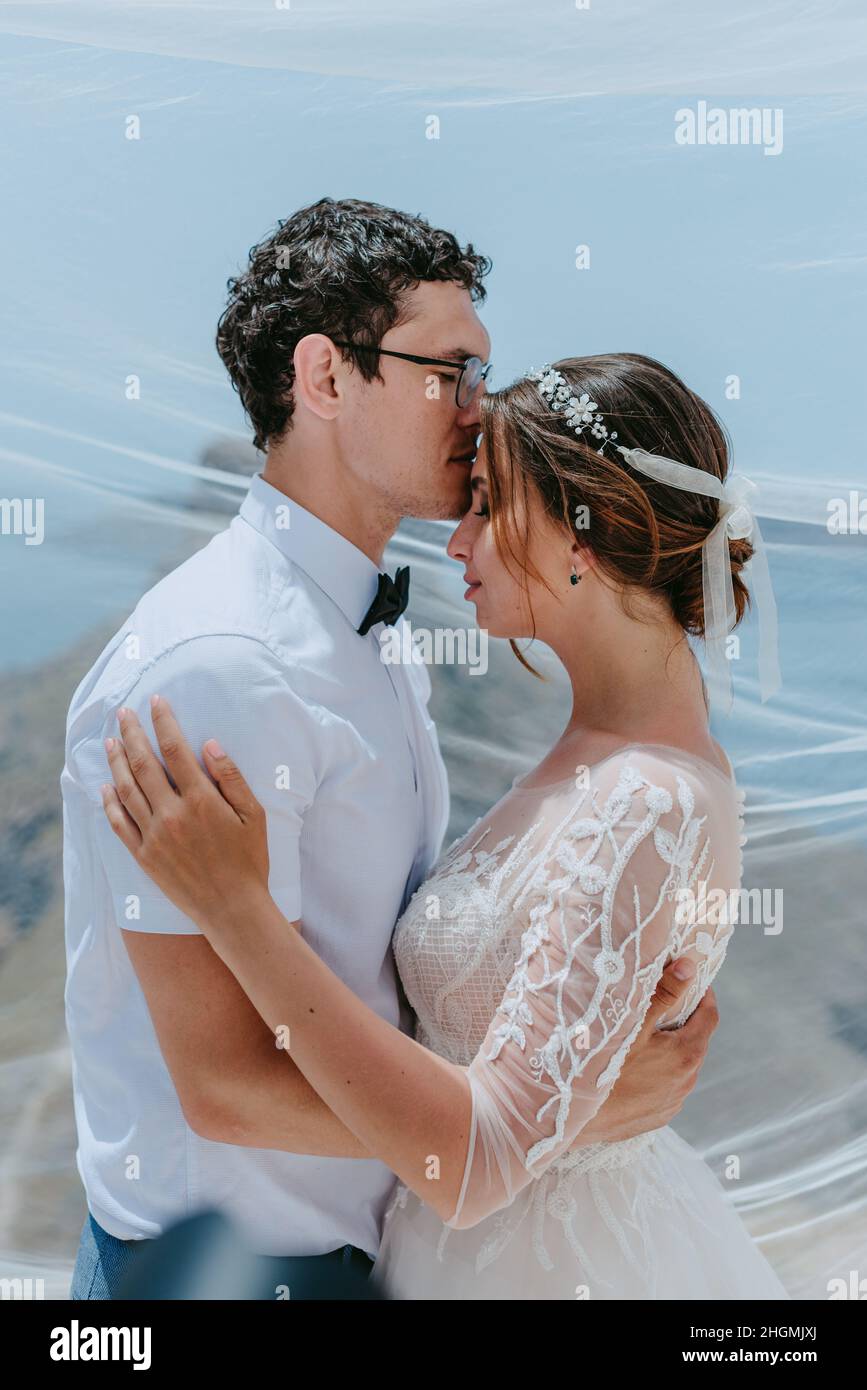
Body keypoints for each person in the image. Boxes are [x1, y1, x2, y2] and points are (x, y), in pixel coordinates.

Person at [63, 197, 719, 1301]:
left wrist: (542, 1076)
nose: (480, 409)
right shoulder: (221, 666)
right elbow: (222, 1082)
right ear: (325, 379)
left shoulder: (365, 625)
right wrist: (548, 1121)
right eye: (449, 372)